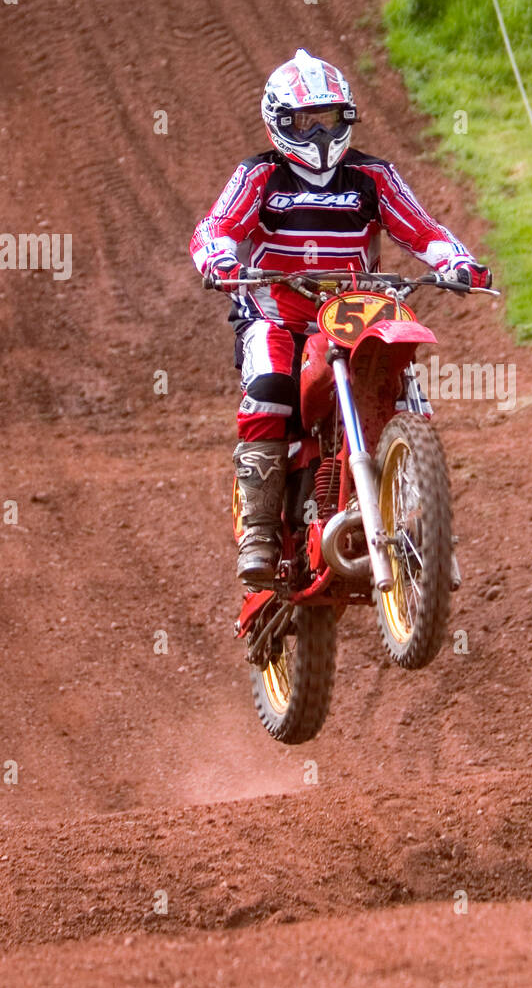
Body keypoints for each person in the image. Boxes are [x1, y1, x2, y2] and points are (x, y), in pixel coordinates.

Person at [190, 48, 491, 586]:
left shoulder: (372, 176)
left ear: (346, 118)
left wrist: (458, 262)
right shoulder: (259, 177)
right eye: (306, 121)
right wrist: (218, 258)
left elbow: (423, 231)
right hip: (276, 313)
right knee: (267, 388)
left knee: (397, 386)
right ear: (279, 121)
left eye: (328, 119)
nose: (318, 133)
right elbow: (213, 229)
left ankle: (423, 519)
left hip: (353, 313)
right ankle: (260, 530)